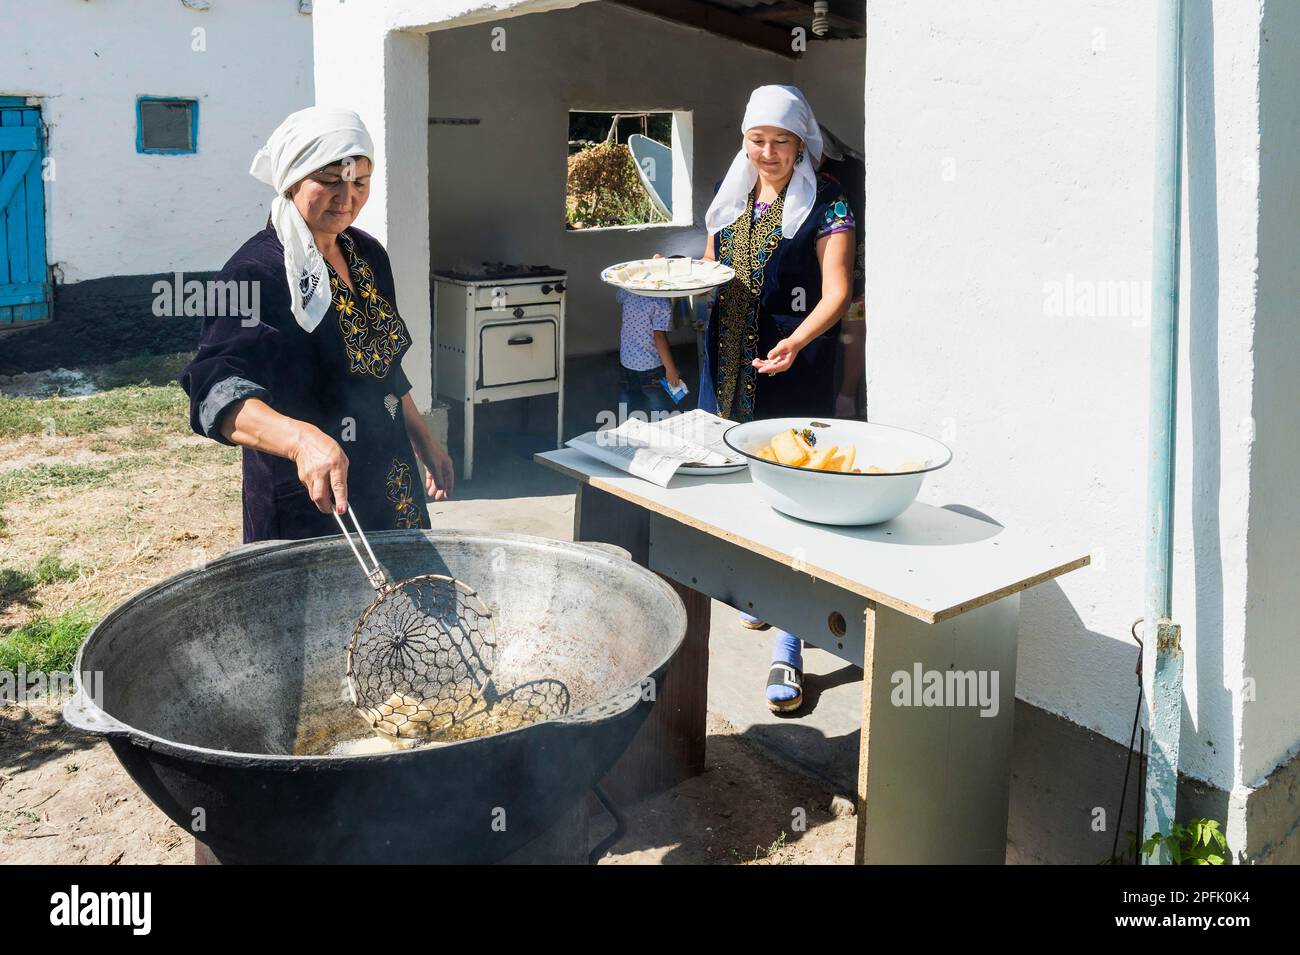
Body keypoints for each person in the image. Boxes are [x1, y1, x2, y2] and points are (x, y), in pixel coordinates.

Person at [181, 106, 455, 543]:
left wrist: (422, 436)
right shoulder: (252, 273)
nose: (346, 197)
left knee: (405, 602)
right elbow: (215, 389)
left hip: (390, 475)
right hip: (311, 495)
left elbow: (381, 365)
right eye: (329, 180)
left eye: (359, 182)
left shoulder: (367, 255)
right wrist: (300, 441)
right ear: (292, 179)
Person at [698, 85, 856, 713]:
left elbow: (837, 291)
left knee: (794, 494)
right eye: (757, 140)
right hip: (729, 366)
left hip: (794, 367)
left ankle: (790, 642)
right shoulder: (734, 198)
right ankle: (766, 594)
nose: (768, 153)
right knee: (741, 484)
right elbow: (711, 271)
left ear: (801, 143)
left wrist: (793, 341)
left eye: (781, 142)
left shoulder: (829, 203)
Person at [616, 287, 681, 419]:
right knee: (657, 404)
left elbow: (618, 297)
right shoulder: (661, 301)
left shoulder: (628, 290)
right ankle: (660, 429)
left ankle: (629, 428)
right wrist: (670, 369)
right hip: (650, 365)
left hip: (627, 360)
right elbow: (659, 337)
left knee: (629, 399)